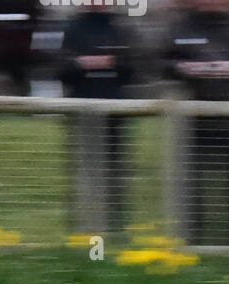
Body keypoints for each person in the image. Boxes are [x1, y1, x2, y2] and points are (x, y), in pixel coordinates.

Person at [164, 0, 229, 246]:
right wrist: (184, 69)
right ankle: (194, 241)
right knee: (192, 183)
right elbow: (160, 61)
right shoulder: (180, 25)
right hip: (192, 119)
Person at [59, 1, 140, 235]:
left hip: (115, 114)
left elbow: (134, 67)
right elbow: (59, 69)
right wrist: (81, 64)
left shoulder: (123, 28)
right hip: (81, 113)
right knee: (83, 173)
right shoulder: (70, 28)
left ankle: (115, 229)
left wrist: (112, 63)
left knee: (115, 175)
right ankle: (83, 230)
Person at [0, 1, 40, 96]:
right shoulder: (26, 4)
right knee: (20, 87)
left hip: (3, 53)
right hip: (17, 53)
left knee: (10, 87)